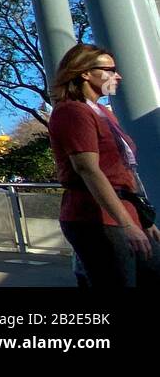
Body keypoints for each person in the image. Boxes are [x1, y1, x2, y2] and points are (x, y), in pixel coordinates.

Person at [48, 43, 160, 288]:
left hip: (127, 211)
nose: (117, 76)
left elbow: (124, 170)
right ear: (84, 73)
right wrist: (126, 223)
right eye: (109, 70)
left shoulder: (102, 112)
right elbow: (88, 169)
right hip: (97, 218)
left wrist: (143, 218)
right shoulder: (72, 112)